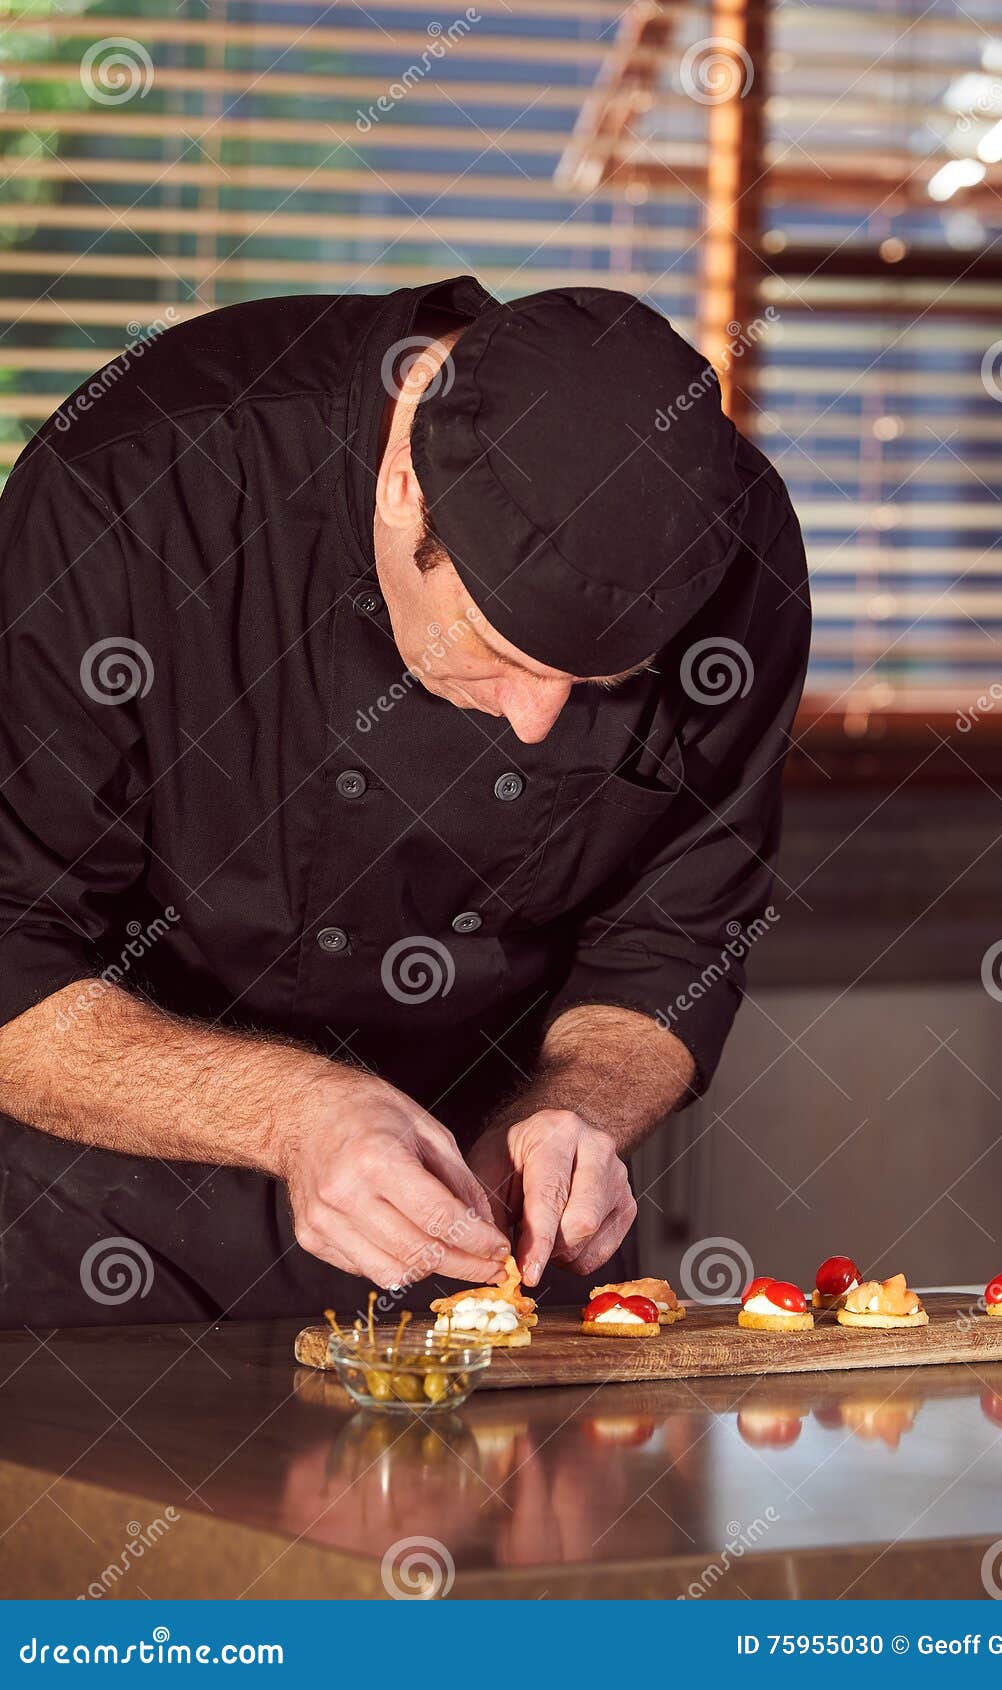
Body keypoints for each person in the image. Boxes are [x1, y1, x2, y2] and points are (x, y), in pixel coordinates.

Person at [0, 276, 809, 1327]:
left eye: (595, 690)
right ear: (401, 489)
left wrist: (573, 1112)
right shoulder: (134, 484)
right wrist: (293, 1114)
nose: (533, 722)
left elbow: (671, 942)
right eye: (497, 653)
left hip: (478, 1257)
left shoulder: (733, 557)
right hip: (96, 1250)